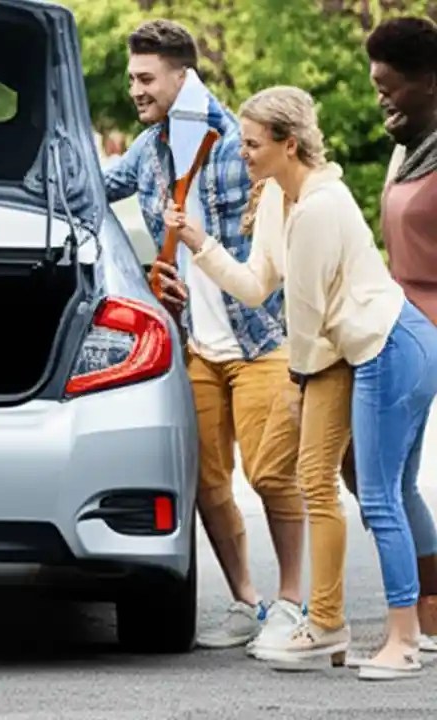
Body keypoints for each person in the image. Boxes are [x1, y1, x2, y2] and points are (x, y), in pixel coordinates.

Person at [171, 84, 437, 680]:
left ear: (289, 145)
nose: (242, 153)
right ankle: (326, 624)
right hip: (355, 349)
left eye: (252, 143)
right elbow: (257, 282)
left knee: (381, 497)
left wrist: (295, 389)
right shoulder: (278, 198)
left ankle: (405, 640)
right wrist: (201, 244)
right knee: (321, 482)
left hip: (390, 346)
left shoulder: (321, 205)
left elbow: (309, 316)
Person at [104, 19, 305, 652]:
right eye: (132, 77)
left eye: (144, 78)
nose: (134, 89)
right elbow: (93, 189)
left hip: (260, 335)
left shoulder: (238, 139)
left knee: (274, 476)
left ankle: (294, 605)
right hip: (195, 339)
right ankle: (249, 601)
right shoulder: (152, 145)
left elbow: (290, 222)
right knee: (208, 484)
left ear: (180, 75)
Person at [336, 16, 437, 656]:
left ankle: (411, 624)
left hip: (425, 330)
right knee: (388, 478)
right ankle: (427, 611)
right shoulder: (407, 148)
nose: (380, 97)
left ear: (429, 84)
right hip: (398, 319)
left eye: (389, 85)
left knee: (377, 479)